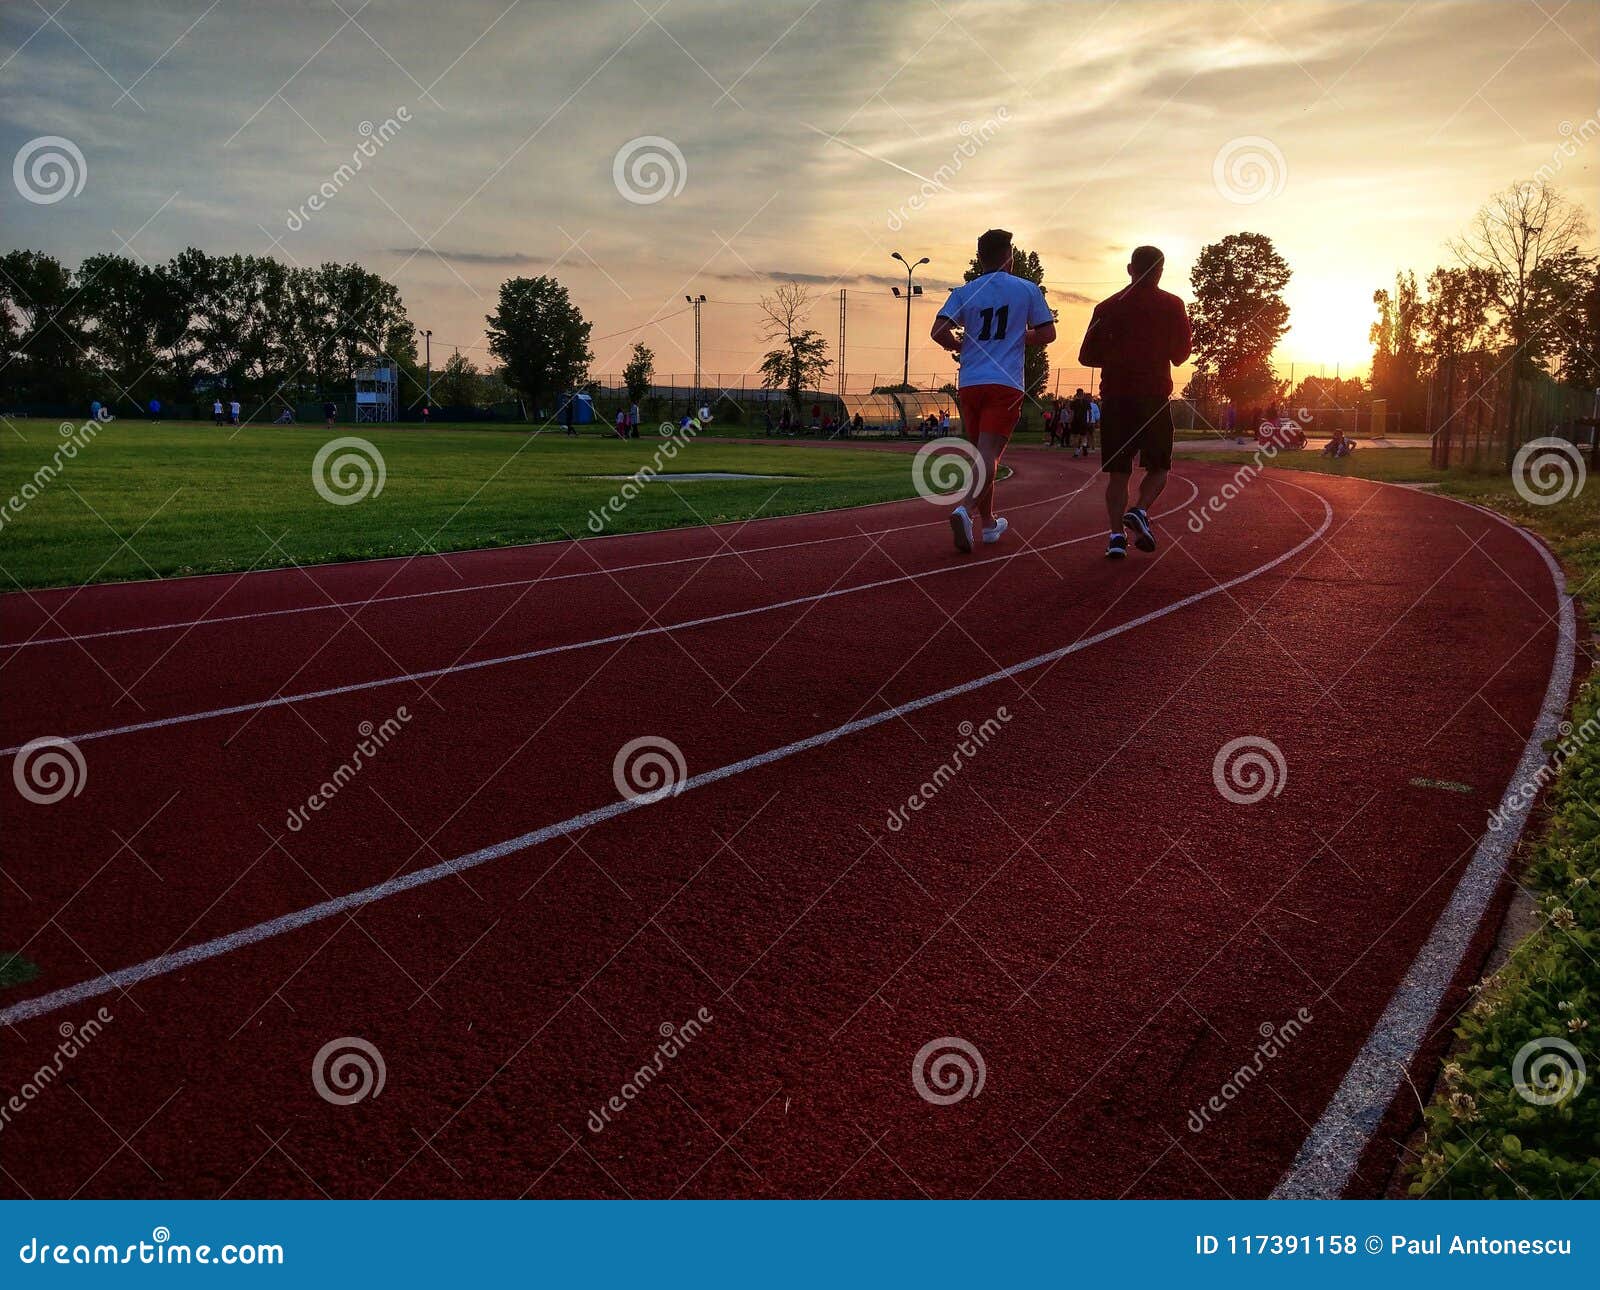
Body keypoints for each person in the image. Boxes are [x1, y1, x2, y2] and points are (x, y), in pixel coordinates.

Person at [930, 227, 1056, 552]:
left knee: (982, 456)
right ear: (1009, 257)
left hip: (970, 381)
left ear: (979, 258)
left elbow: (938, 330)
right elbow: (1047, 333)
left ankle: (987, 525)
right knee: (989, 453)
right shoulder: (1026, 289)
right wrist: (1020, 336)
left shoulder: (965, 291)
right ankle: (965, 509)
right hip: (1005, 381)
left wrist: (955, 343)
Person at [1078, 245, 1192, 559]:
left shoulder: (1106, 307)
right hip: (1153, 396)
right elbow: (1181, 355)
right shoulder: (1172, 305)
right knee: (1159, 466)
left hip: (1115, 397)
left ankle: (1116, 536)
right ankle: (1140, 510)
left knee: (1119, 472)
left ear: (1130, 269)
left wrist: (1117, 356)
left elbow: (1086, 356)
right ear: (1160, 271)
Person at [1070, 387, 1093, 457]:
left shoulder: (1074, 402)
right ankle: (1084, 446)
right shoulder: (1086, 402)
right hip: (1083, 421)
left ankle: (1077, 452)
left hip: (1077, 421)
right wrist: (1089, 420)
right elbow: (1090, 412)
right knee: (1083, 436)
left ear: (1077, 394)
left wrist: (1070, 420)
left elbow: (1072, 413)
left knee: (1076, 436)